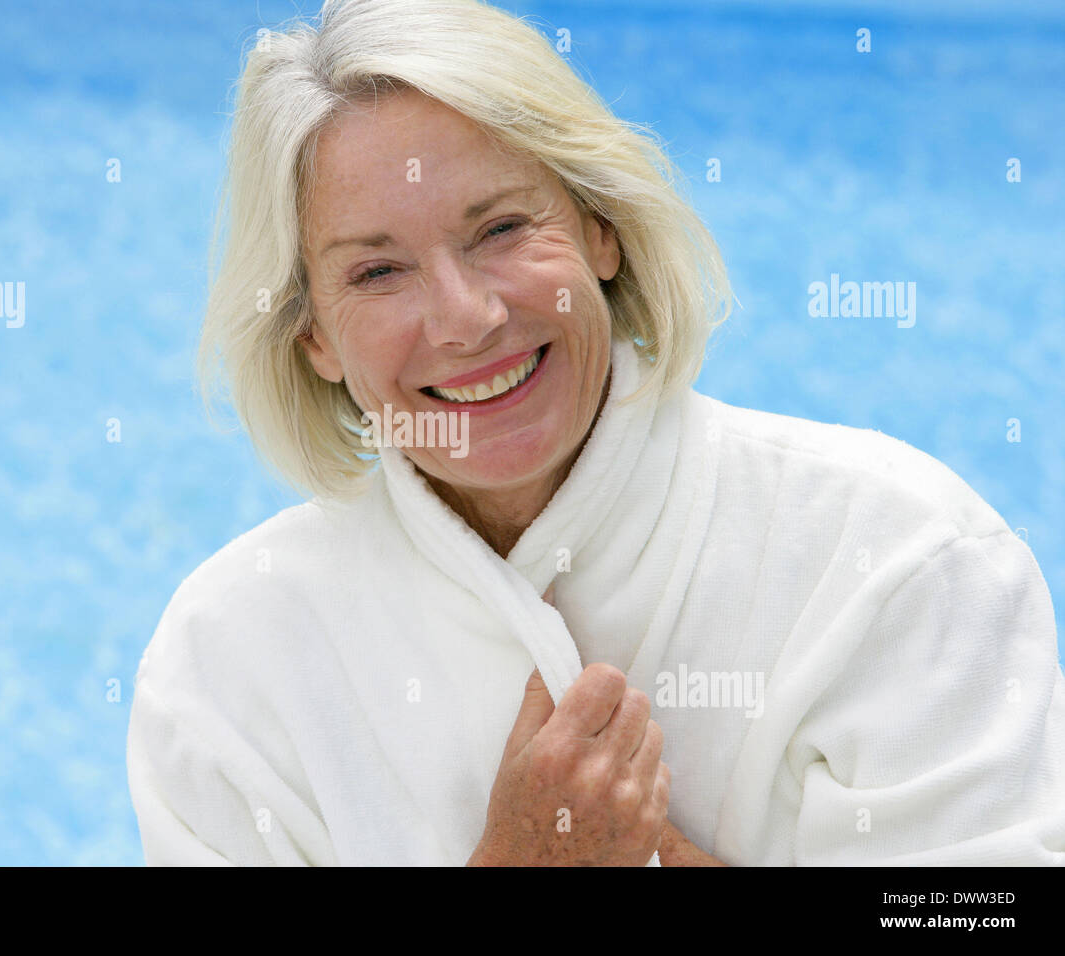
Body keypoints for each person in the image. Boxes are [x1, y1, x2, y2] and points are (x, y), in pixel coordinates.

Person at [126, 0, 1065, 866]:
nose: (466, 318)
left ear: (600, 229)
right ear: (314, 338)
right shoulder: (226, 668)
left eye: (499, 228)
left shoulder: (899, 557)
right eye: (376, 274)